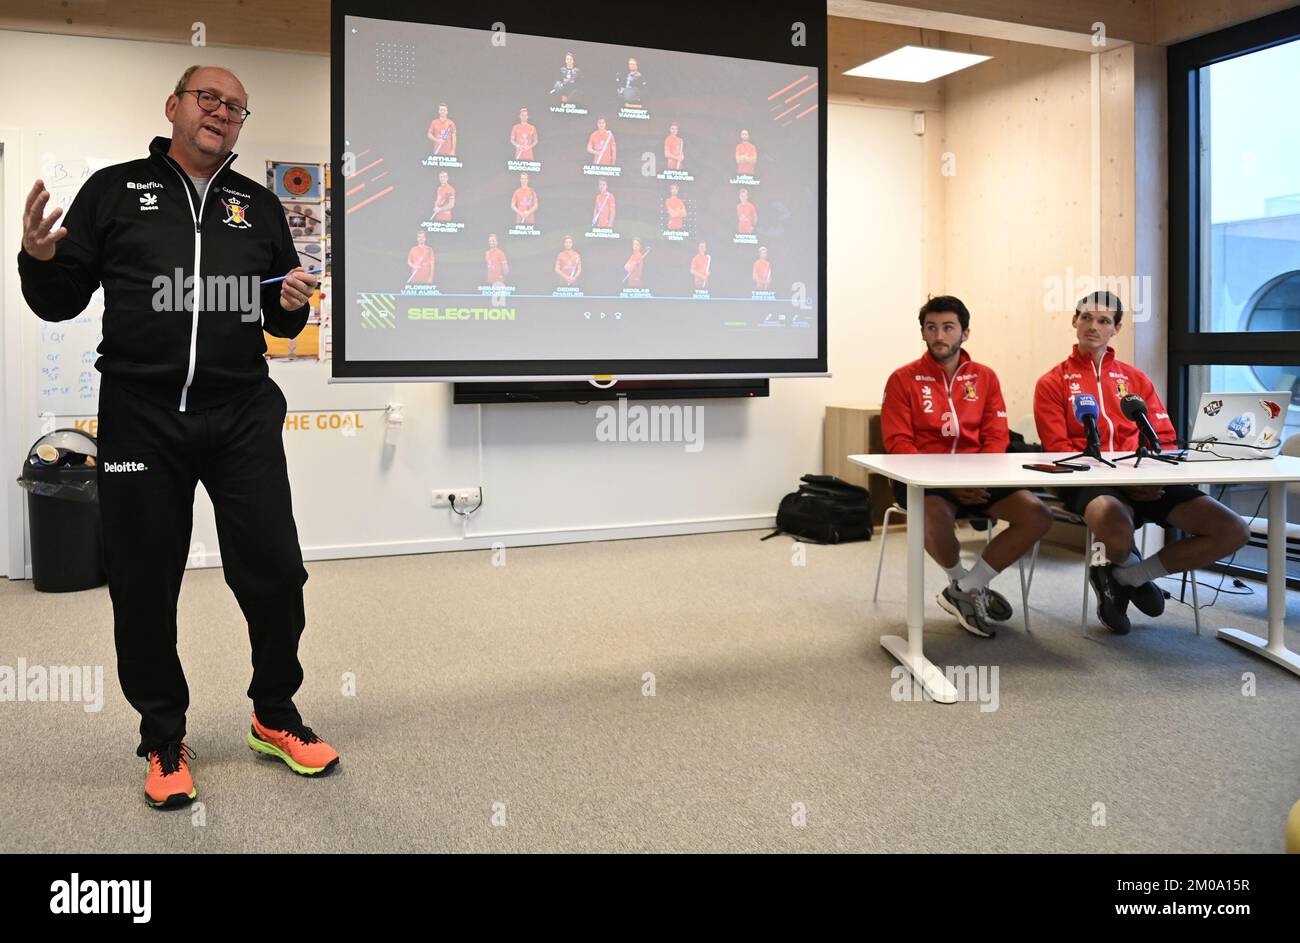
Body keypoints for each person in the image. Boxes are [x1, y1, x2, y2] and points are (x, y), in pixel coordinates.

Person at [17, 65, 338, 808]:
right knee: (143, 579)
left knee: (276, 570)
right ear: (174, 107)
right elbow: (61, 299)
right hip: (141, 413)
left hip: (240, 412)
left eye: (236, 107)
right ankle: (163, 735)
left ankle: (274, 713)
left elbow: (281, 313)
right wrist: (37, 261)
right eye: (209, 99)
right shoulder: (115, 189)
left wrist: (292, 302)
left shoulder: (256, 206)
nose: (222, 113)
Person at [1033, 291, 1250, 634]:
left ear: (1116, 328)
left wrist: (1154, 477)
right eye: (1086, 318)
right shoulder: (1051, 382)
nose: (1093, 326)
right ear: (1074, 321)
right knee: (1111, 519)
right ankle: (1125, 566)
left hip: (1146, 477)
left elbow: (1163, 439)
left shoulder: (1135, 380)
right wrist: (1123, 481)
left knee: (1233, 530)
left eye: (1104, 321)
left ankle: (1126, 576)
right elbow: (1060, 451)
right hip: (1087, 481)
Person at [882, 296, 1053, 637]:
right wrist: (948, 484)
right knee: (931, 513)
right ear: (923, 333)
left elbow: (996, 436)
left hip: (981, 474)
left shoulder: (985, 378)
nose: (939, 336)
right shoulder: (902, 379)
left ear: (965, 333)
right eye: (931, 328)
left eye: (948, 328)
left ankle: (965, 588)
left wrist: (977, 477)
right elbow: (899, 444)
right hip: (923, 479)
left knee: (1037, 514)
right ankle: (963, 581)